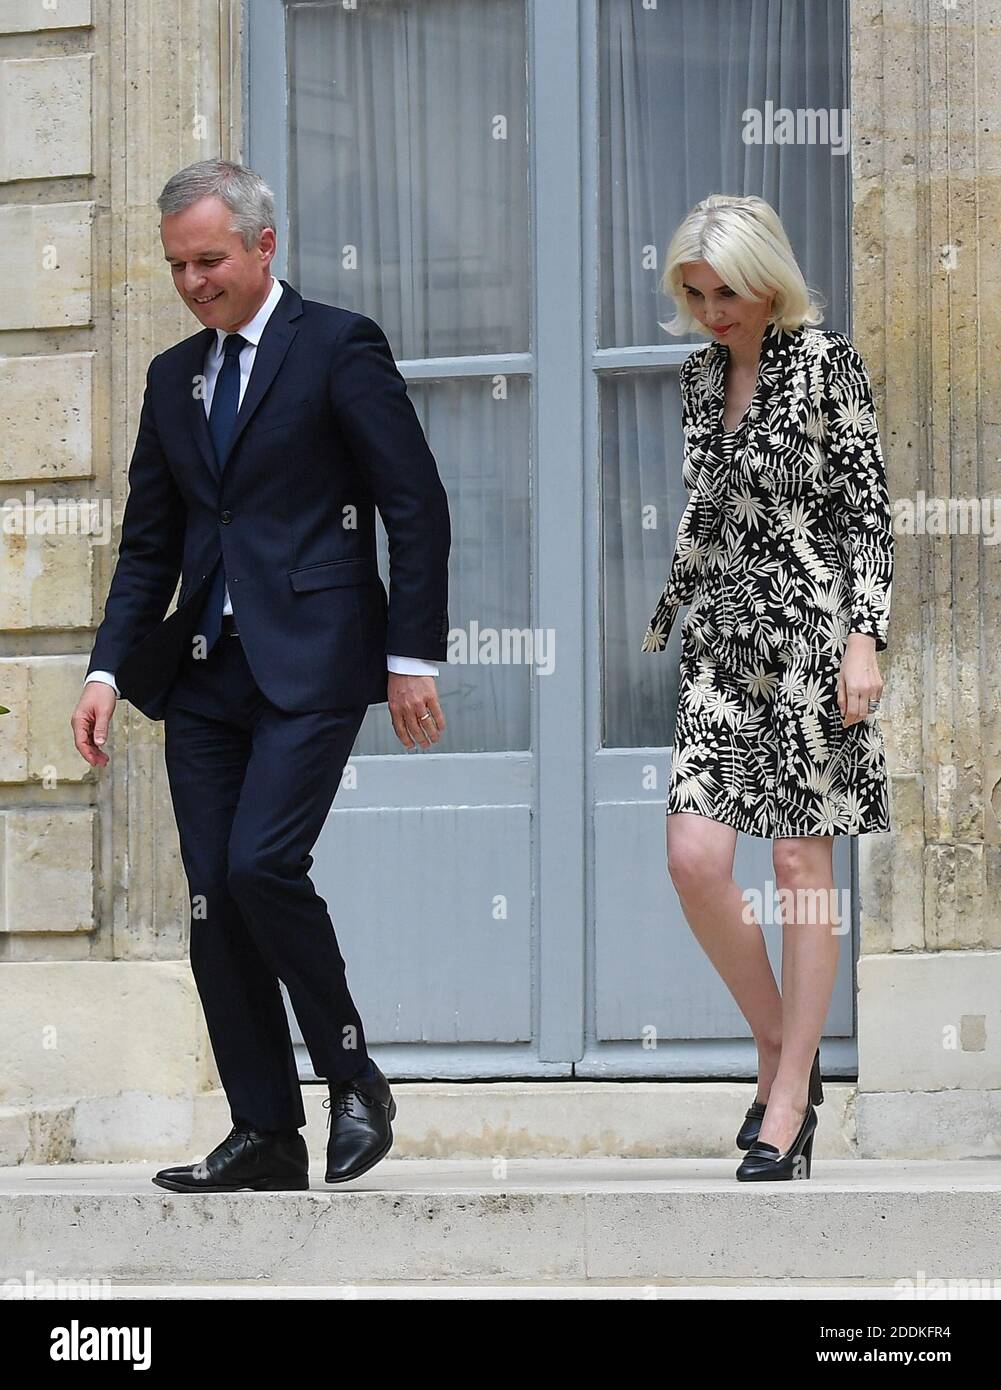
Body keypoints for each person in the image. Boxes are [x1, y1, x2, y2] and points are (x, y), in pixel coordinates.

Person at [70, 158, 451, 1192]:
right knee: (210, 899)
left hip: (315, 659)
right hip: (201, 676)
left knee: (259, 867)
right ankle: (264, 1130)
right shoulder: (170, 377)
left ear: (262, 245)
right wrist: (107, 669)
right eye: (177, 266)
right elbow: (150, 542)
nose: (193, 282)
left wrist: (408, 655)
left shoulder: (337, 347)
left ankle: (350, 1072)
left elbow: (413, 505)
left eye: (209, 260)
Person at [642, 194, 893, 1181]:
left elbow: (864, 510)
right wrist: (665, 621)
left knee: (798, 867)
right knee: (693, 857)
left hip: (810, 630)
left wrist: (861, 641)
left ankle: (785, 1096)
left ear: (768, 281)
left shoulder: (824, 363)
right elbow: (706, 505)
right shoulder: (699, 376)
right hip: (720, 635)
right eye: (695, 293)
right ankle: (784, 1045)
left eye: (728, 292)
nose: (713, 310)